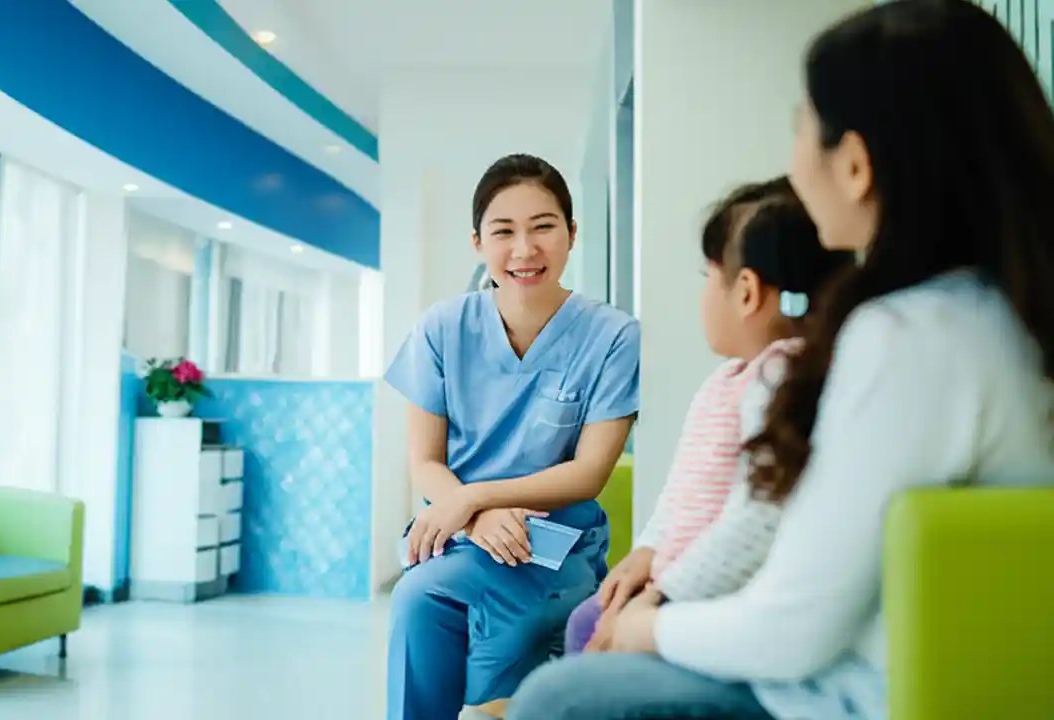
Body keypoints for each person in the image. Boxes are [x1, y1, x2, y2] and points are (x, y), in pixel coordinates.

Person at [509, 1, 1054, 718]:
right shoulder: (994, 318)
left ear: (854, 164)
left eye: (801, 123)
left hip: (857, 692)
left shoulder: (908, 339)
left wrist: (650, 625)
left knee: (558, 697)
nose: (794, 154)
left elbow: (792, 625)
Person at [383, 153, 641, 720]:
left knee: (498, 674)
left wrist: (478, 497)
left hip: (557, 545)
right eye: (504, 231)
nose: (524, 250)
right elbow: (424, 461)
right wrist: (472, 517)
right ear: (477, 242)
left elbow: (588, 473)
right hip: (461, 537)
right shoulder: (441, 329)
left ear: (572, 234)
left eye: (543, 227)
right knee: (419, 600)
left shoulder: (613, 337)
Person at [563, 177, 852, 657]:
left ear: (745, 292)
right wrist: (646, 553)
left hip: (707, 599)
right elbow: (679, 495)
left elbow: (757, 519)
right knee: (585, 622)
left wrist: (659, 600)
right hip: (672, 583)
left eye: (707, 277)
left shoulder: (780, 379)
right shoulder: (724, 383)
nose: (702, 296)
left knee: (587, 636)